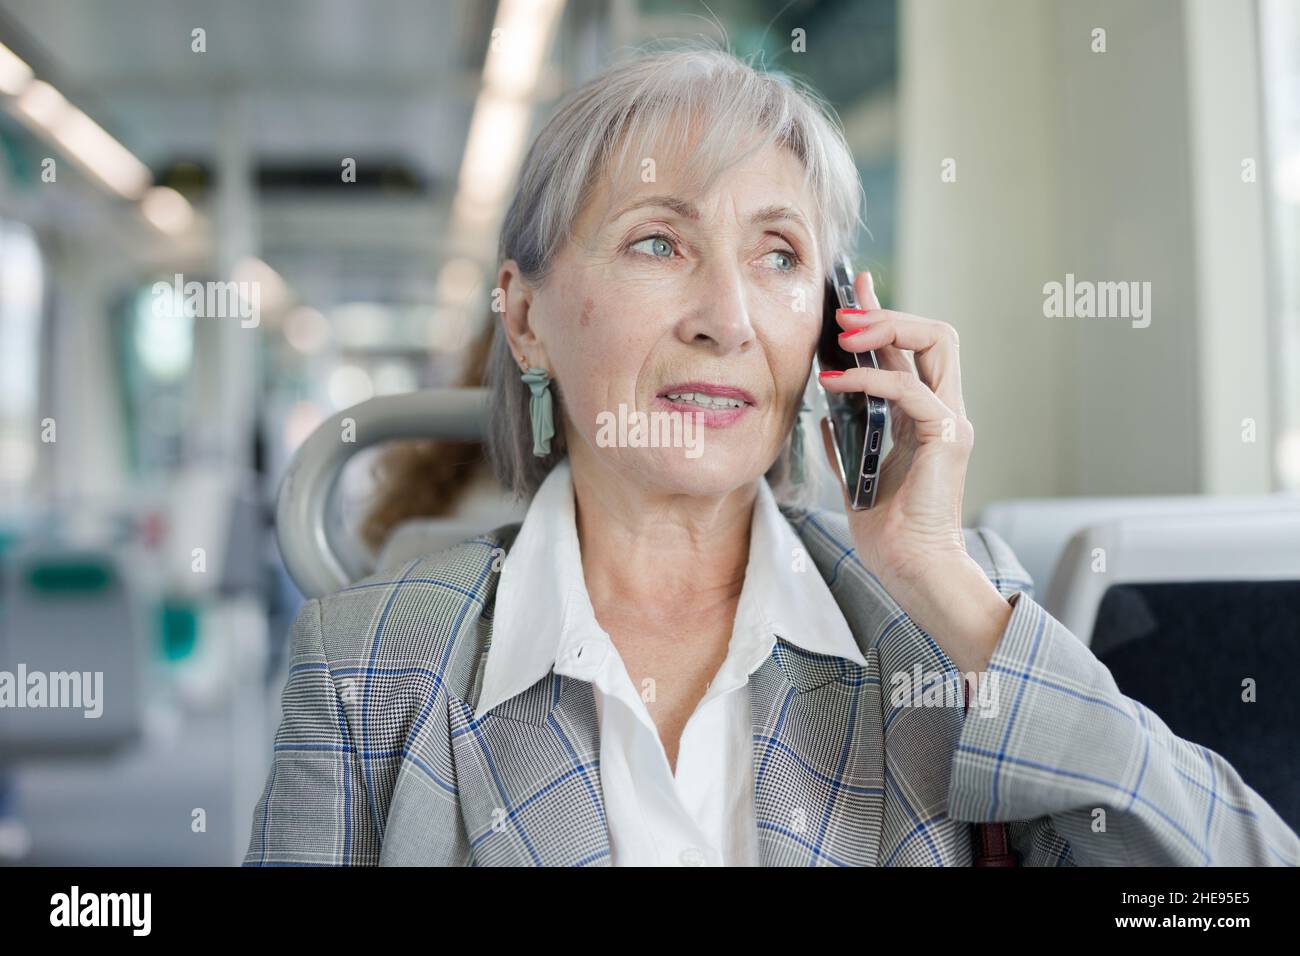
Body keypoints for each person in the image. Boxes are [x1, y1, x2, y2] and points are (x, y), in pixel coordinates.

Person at [244, 42, 1300, 866]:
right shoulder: (368, 660)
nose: (729, 316)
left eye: (780, 255)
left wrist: (940, 578)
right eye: (658, 242)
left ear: (835, 328)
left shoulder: (943, 626)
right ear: (524, 319)